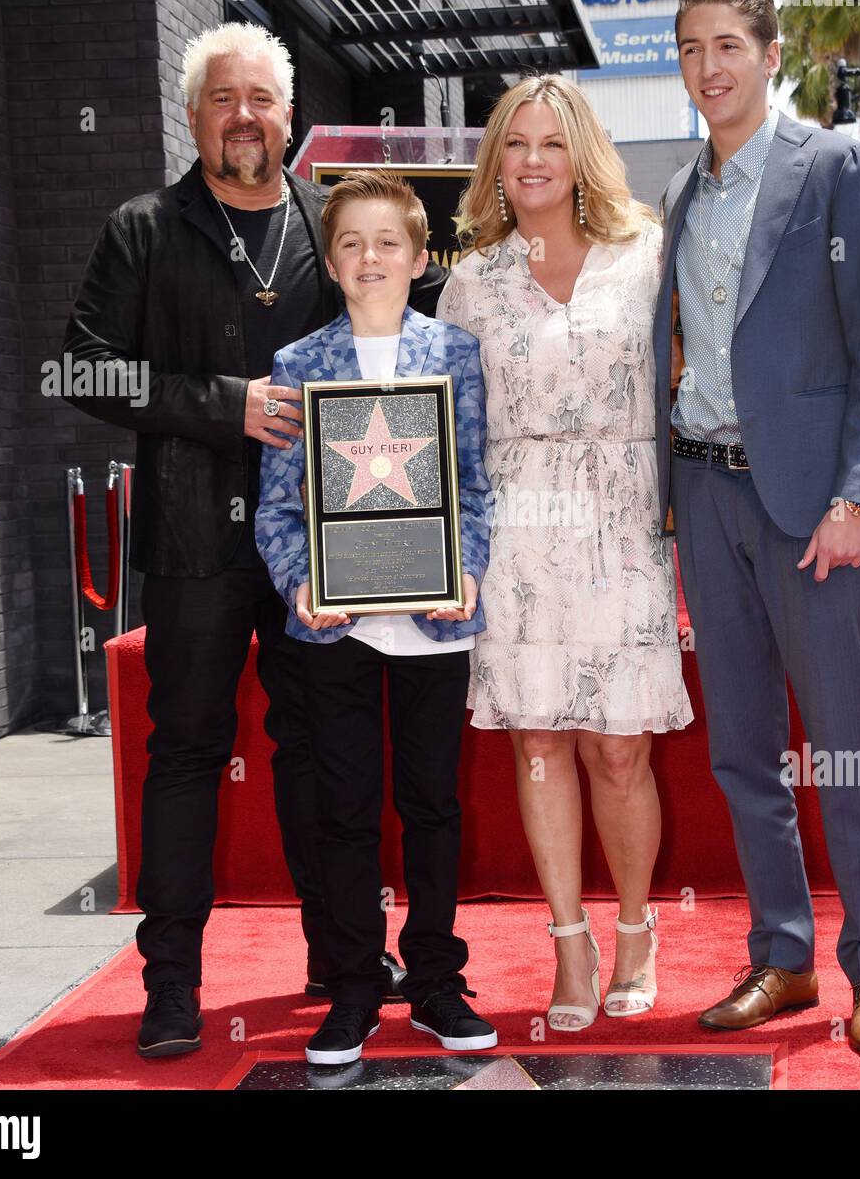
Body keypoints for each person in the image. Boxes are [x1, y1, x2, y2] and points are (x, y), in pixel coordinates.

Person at [61, 23, 412, 1057]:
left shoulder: (332, 222)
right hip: (193, 540)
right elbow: (82, 369)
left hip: (322, 541)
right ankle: (170, 980)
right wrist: (227, 402)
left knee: (324, 752)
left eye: (262, 97)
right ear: (193, 114)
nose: (245, 116)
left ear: (289, 113)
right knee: (186, 754)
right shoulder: (141, 229)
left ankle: (339, 948)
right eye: (225, 98)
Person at [654, 0, 860, 1053]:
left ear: (770, 56)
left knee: (844, 746)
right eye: (689, 48)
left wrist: (857, 492)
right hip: (706, 494)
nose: (707, 67)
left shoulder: (833, 167)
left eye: (726, 45)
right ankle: (784, 954)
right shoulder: (681, 194)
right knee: (742, 749)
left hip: (812, 506)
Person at [438, 74, 693, 1033]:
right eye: (515, 143)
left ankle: (635, 931)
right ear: (495, 161)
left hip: (623, 522)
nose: (533, 160)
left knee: (620, 748)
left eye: (551, 142)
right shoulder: (471, 281)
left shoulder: (646, 256)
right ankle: (568, 943)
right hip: (516, 533)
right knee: (538, 742)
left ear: (582, 152)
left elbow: (691, 379)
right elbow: (450, 427)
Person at [255, 170, 497, 1064]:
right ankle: (356, 987)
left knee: (433, 804)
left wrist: (466, 570)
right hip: (336, 629)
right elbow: (277, 510)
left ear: (420, 256)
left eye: (387, 243)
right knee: (346, 809)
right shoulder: (296, 366)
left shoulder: (457, 356)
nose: (370, 258)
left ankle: (435, 979)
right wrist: (297, 585)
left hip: (435, 623)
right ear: (330, 260)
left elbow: (475, 486)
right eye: (351, 244)